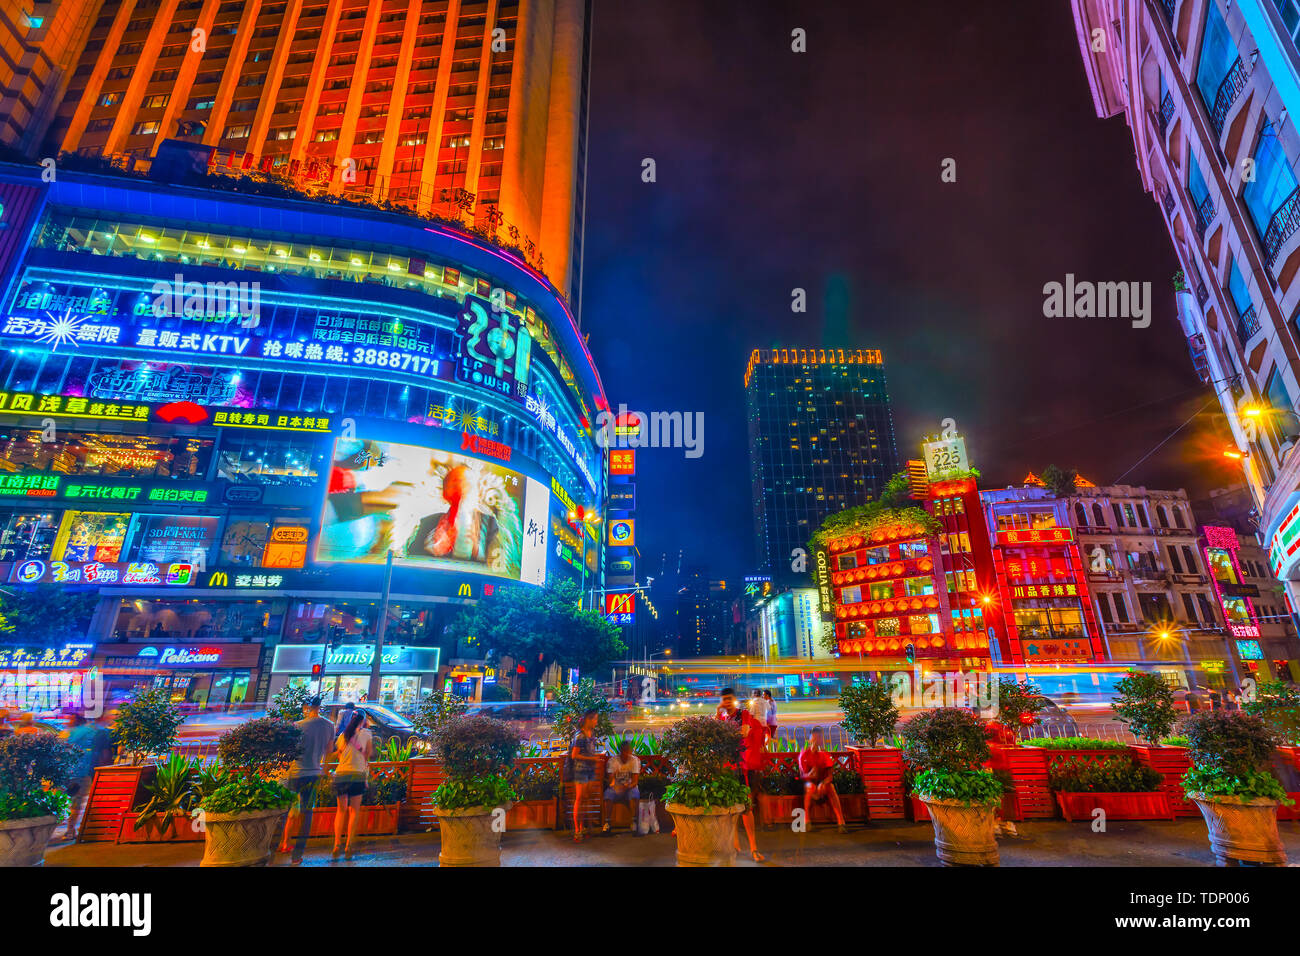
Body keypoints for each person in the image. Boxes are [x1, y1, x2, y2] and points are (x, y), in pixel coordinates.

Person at [278, 694, 336, 864]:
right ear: (320, 707)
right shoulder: (329, 726)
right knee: (307, 813)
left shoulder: (297, 725)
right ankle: (297, 855)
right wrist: (324, 770)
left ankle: (280, 844)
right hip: (313, 774)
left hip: (295, 774)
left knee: (289, 809)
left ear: (307, 708)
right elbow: (329, 751)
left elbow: (289, 751)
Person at [716, 688, 765, 862]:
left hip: (741, 767)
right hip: (726, 768)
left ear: (734, 700)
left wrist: (724, 735)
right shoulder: (722, 718)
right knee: (729, 808)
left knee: (746, 808)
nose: (727, 702)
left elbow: (744, 732)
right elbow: (715, 736)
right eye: (724, 699)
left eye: (729, 699)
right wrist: (717, 712)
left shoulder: (742, 714)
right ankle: (735, 845)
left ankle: (753, 848)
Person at [57, 712, 112, 841]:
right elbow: (103, 754)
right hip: (83, 771)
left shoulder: (70, 733)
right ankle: (70, 830)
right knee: (77, 801)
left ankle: (68, 828)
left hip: (68, 770)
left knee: (68, 800)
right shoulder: (96, 732)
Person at [332, 708, 374, 860]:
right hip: (357, 776)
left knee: (340, 811)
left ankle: (337, 844)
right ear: (363, 721)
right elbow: (368, 755)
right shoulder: (367, 734)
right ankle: (349, 845)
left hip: (341, 775)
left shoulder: (342, 735)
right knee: (354, 812)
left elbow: (340, 756)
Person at [798, 727, 848, 833]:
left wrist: (823, 783)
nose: (816, 740)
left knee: (831, 787)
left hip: (822, 785)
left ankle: (841, 822)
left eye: (819, 738)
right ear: (810, 740)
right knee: (810, 787)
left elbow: (830, 776)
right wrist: (810, 775)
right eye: (814, 738)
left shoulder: (824, 754)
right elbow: (802, 776)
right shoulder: (804, 754)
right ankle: (807, 821)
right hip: (810, 784)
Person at [569, 709, 602, 842]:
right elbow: (574, 755)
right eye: (595, 719)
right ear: (589, 719)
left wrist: (594, 758)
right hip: (581, 770)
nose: (596, 722)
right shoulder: (580, 736)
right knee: (579, 799)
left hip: (590, 770)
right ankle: (577, 830)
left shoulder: (591, 733)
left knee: (586, 798)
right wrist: (592, 758)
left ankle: (583, 827)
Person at [602, 738, 641, 834]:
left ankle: (634, 822)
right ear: (621, 750)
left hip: (630, 786)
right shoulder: (613, 761)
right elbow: (611, 780)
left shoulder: (634, 760)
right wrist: (616, 785)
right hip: (616, 787)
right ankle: (607, 823)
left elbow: (635, 781)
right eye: (625, 750)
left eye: (628, 750)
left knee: (634, 795)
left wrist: (627, 786)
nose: (626, 753)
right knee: (608, 795)